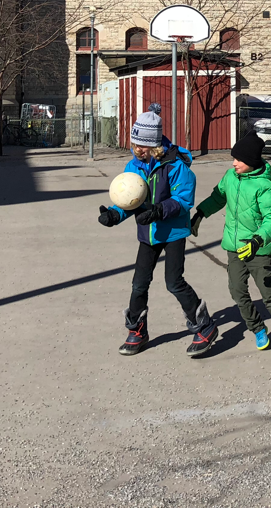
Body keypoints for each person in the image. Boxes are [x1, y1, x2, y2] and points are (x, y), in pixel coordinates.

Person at [97, 103, 218, 357]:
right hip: (148, 234)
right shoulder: (134, 166)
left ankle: (203, 326)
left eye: (142, 145)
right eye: (135, 144)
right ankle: (137, 330)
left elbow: (184, 199)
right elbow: (130, 200)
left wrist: (159, 211)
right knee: (139, 284)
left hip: (173, 231)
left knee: (173, 282)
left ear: (155, 145)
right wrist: (113, 214)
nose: (137, 149)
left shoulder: (176, 166)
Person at [192, 132, 271, 353]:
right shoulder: (230, 177)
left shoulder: (264, 186)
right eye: (233, 158)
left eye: (239, 160)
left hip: (257, 249)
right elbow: (218, 196)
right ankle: (257, 328)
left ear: (252, 162)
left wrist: (257, 239)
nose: (234, 163)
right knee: (236, 290)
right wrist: (200, 213)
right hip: (234, 247)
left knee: (268, 293)